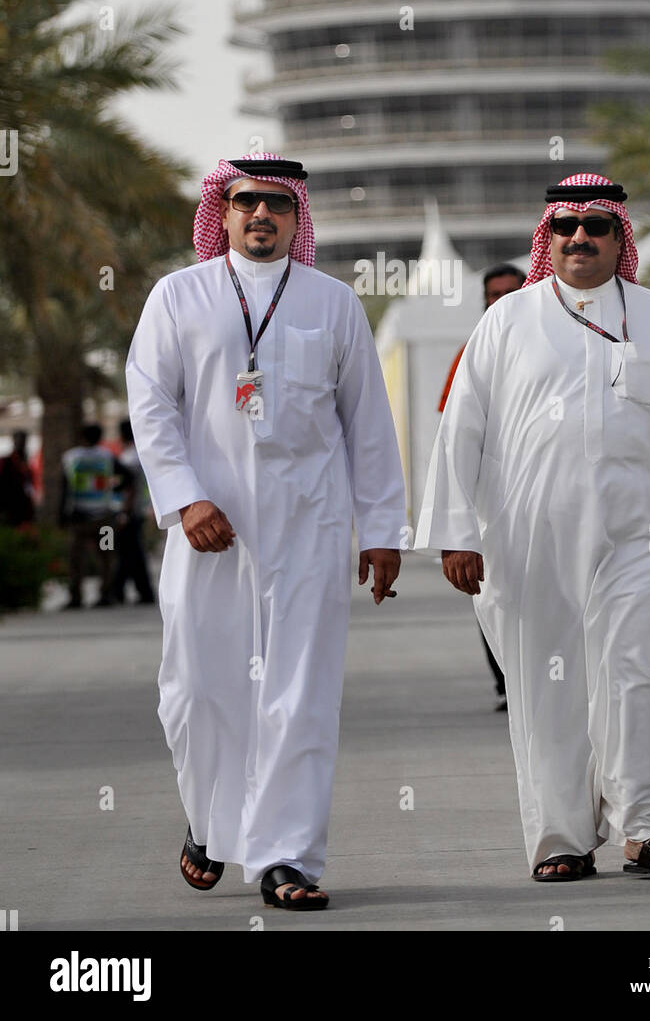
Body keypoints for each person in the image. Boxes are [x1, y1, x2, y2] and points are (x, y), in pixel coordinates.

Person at [415, 172, 650, 884]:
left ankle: (649, 830)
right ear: (548, 236)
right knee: (550, 683)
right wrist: (455, 532)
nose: (579, 237)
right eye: (565, 226)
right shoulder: (507, 322)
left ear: (617, 237)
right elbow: (461, 432)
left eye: (595, 225)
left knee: (645, 670)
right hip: (530, 540)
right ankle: (561, 837)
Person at [125, 152, 406, 911]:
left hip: (309, 526)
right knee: (194, 691)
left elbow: (368, 426)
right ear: (223, 210)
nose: (261, 216)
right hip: (209, 529)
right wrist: (185, 500)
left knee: (299, 694)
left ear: (296, 217)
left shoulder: (331, 302)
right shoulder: (177, 297)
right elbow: (150, 407)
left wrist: (381, 530)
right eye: (247, 201)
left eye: (277, 205)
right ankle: (212, 822)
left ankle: (285, 855)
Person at [438, 264, 526, 710]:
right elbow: (453, 436)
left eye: (513, 291)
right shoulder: (472, 354)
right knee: (494, 595)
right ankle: (510, 683)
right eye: (494, 294)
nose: (503, 300)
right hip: (494, 502)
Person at [60, 424, 127, 609]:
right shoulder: (107, 457)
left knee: (76, 559)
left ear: (81, 436)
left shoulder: (71, 457)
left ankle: (76, 598)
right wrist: (114, 491)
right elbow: (127, 476)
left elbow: (64, 488)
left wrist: (62, 516)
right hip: (104, 518)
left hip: (79, 518)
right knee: (106, 558)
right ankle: (106, 595)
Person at [110, 419, 156, 605]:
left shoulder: (127, 458)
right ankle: (131, 591)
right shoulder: (140, 455)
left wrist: (124, 512)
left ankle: (123, 591)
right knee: (132, 553)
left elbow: (129, 489)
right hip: (139, 510)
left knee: (125, 552)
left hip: (128, 512)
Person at [0, 430, 36, 526]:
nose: (21, 444)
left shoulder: (26, 463)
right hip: (11, 507)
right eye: (19, 441)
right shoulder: (7, 462)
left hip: (24, 508)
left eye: (23, 441)